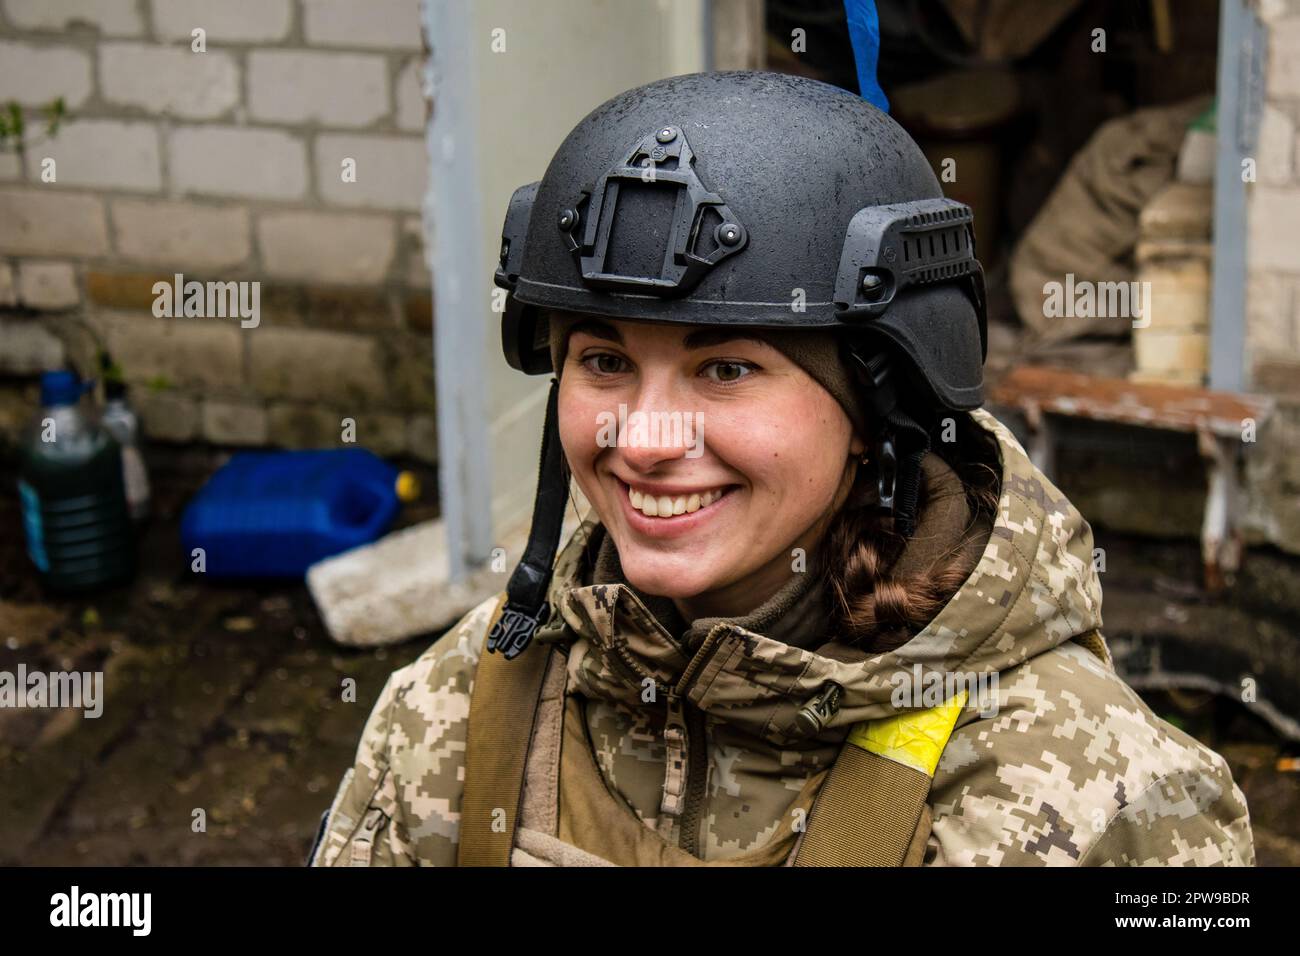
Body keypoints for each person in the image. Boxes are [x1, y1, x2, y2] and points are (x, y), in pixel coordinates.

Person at [310, 71, 1254, 867]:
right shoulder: (466, 703)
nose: (643, 438)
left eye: (727, 369)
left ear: (875, 412)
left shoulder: (1094, 798)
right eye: (604, 362)